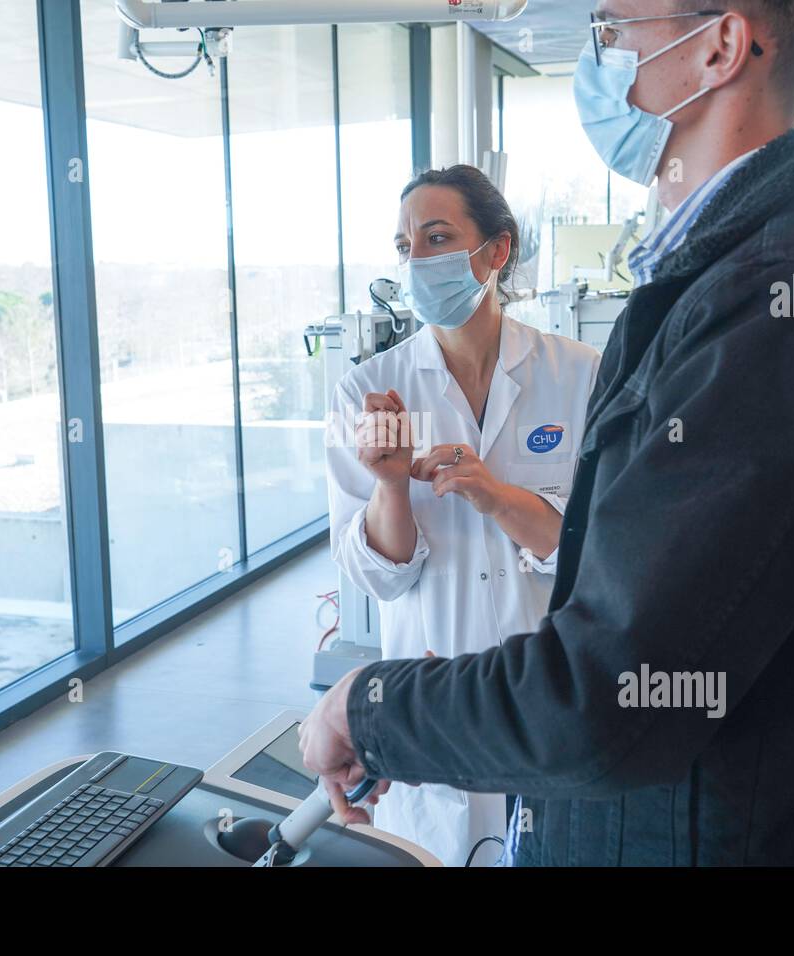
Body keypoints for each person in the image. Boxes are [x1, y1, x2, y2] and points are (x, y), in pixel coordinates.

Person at [300, 0, 794, 866]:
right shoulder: (717, 286)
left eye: (613, 27)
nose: (596, 55)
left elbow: (611, 697)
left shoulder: (789, 299)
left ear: (719, 45)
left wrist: (368, 707)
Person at [324, 164, 600, 866]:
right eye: (404, 245)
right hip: (432, 701)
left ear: (496, 251)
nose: (416, 260)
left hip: (549, 696)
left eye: (438, 237)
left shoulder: (581, 375)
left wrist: (496, 495)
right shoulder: (368, 390)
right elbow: (376, 580)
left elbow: (603, 554)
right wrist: (390, 486)